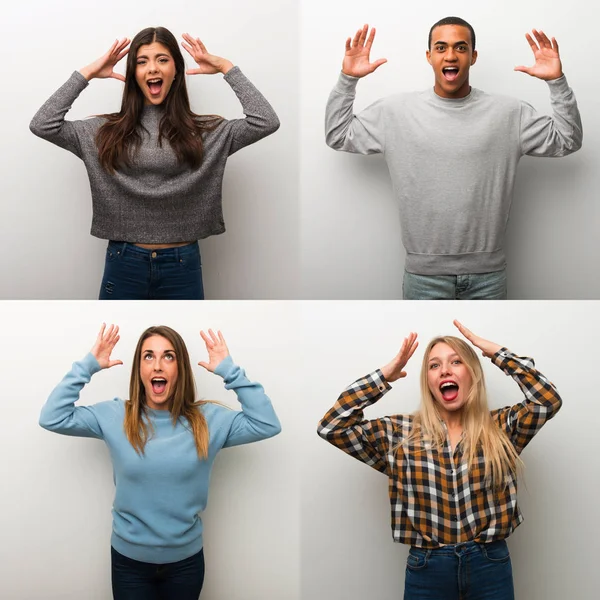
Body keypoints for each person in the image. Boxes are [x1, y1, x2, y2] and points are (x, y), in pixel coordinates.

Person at [325, 17, 582, 300]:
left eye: (461, 48)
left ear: (473, 57)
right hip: (423, 278)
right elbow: (338, 135)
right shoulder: (395, 112)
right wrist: (347, 80)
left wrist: (557, 83)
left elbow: (567, 140)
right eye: (441, 47)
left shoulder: (510, 113)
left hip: (488, 277)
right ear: (429, 56)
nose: (450, 55)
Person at [317, 320, 562, 599]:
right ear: (429, 382)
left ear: (472, 374)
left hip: (490, 565)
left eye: (456, 362)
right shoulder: (400, 434)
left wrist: (495, 353)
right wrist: (385, 375)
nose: (445, 369)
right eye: (434, 365)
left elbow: (547, 400)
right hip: (427, 569)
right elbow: (332, 427)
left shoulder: (501, 428)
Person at [30, 27, 280, 300]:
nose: (152, 69)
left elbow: (265, 121)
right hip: (124, 260)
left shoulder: (206, 132)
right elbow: (43, 124)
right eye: (142, 61)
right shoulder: (103, 132)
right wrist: (87, 73)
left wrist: (226, 67)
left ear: (176, 69)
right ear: (133, 73)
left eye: (162, 59)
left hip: (182, 263)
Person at [39, 324, 281, 599]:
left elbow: (267, 424)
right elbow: (52, 417)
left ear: (180, 369)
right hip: (128, 564)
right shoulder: (114, 415)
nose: (157, 366)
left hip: (186, 565)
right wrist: (88, 366)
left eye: (168, 356)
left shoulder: (208, 421)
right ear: (139, 369)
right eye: (148, 356)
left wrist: (230, 371)